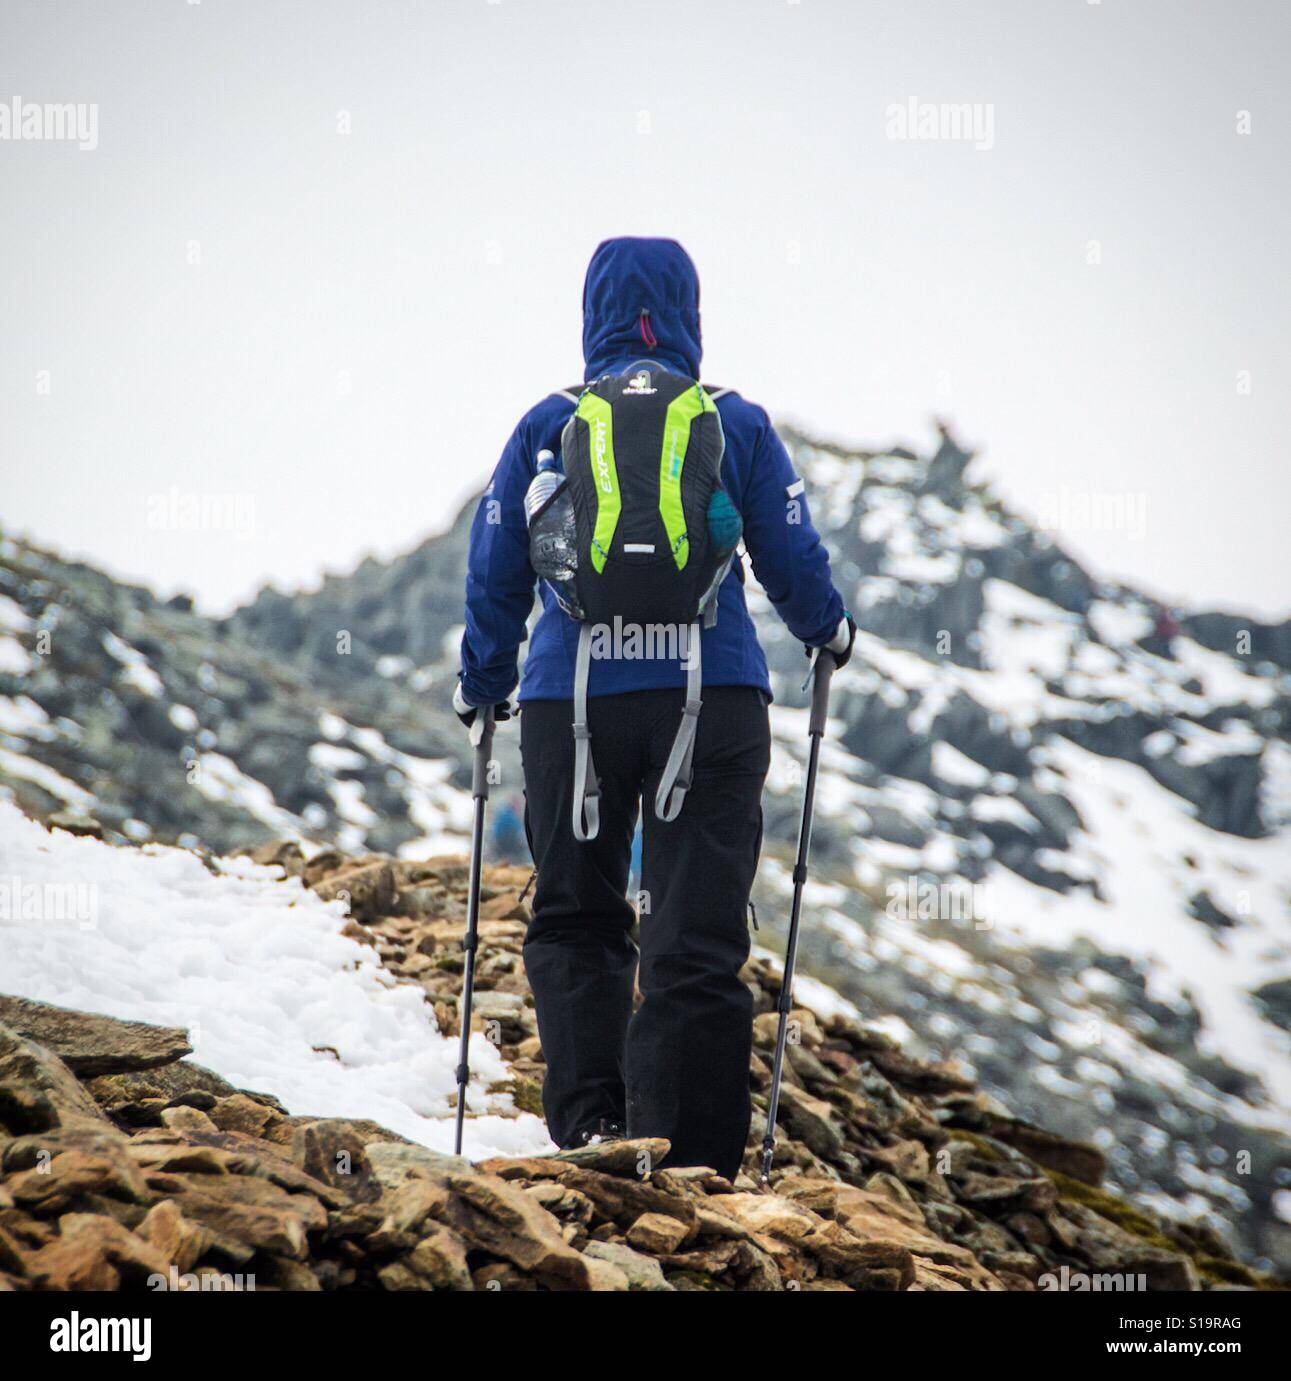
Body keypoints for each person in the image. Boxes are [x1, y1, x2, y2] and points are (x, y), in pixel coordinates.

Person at [454, 237, 852, 1181]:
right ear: (690, 317)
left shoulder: (549, 425)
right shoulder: (734, 421)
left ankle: (593, 1133)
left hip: (571, 705)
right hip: (710, 701)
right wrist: (829, 630)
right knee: (696, 932)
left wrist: (484, 683)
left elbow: (495, 564)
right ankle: (693, 1159)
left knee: (579, 914)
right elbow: (790, 552)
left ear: (590, 312)